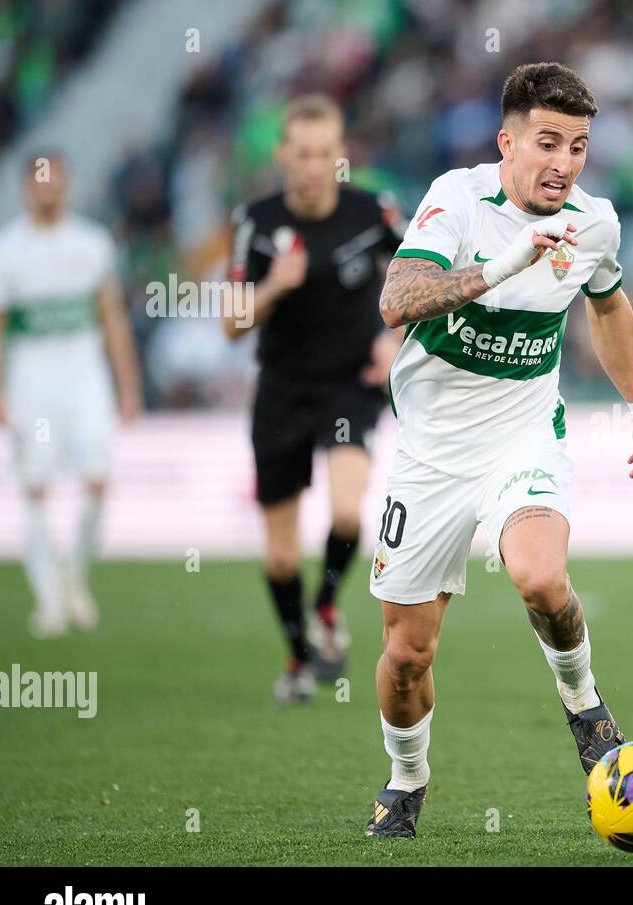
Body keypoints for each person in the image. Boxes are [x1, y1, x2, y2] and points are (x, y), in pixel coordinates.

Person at [364, 62, 633, 838]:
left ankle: (585, 706)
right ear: (507, 142)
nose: (563, 162)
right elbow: (397, 300)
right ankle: (407, 778)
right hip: (431, 455)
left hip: (524, 435)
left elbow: (609, 304)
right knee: (406, 656)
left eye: (578, 146)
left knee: (540, 578)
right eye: (546, 143)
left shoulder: (595, 223)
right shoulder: (457, 200)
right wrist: (504, 265)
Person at [224, 94, 405, 703]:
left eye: (324, 153)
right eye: (301, 154)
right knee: (279, 557)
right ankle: (298, 657)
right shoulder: (255, 220)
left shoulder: (372, 212)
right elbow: (231, 323)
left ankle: (325, 605)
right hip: (280, 391)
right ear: (283, 155)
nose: (312, 165)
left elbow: (421, 276)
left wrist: (396, 339)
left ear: (340, 154)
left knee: (350, 514)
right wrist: (273, 286)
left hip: (349, 386)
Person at [0, 152, 141, 637]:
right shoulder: (6, 250)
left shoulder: (91, 242)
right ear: (25, 189)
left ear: (67, 186)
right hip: (32, 381)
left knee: (98, 479)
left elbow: (112, 317)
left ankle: (74, 576)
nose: (47, 190)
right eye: (39, 183)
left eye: (55, 181)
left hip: (85, 380)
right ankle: (48, 600)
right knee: (35, 484)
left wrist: (127, 385)